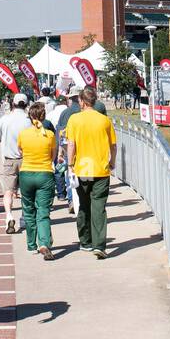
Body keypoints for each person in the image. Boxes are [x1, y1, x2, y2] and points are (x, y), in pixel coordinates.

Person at [65, 86, 118, 258]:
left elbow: (71, 144)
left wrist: (70, 164)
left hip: (81, 169)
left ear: (81, 101)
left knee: (83, 204)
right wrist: (112, 162)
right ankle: (99, 245)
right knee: (99, 207)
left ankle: (85, 241)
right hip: (101, 169)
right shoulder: (104, 120)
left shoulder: (74, 119)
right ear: (94, 101)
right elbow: (113, 145)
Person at [17, 101, 58, 259]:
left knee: (28, 209)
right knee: (43, 211)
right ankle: (44, 243)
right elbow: (52, 156)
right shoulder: (50, 135)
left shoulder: (23, 134)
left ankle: (31, 244)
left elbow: (20, 151)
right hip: (45, 174)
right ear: (44, 116)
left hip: (26, 173)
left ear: (30, 116)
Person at [0, 93, 33, 234]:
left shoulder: (5, 119)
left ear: (13, 103)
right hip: (26, 159)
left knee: (8, 191)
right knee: (26, 192)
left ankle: (9, 216)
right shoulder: (29, 120)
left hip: (9, 160)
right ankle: (24, 218)